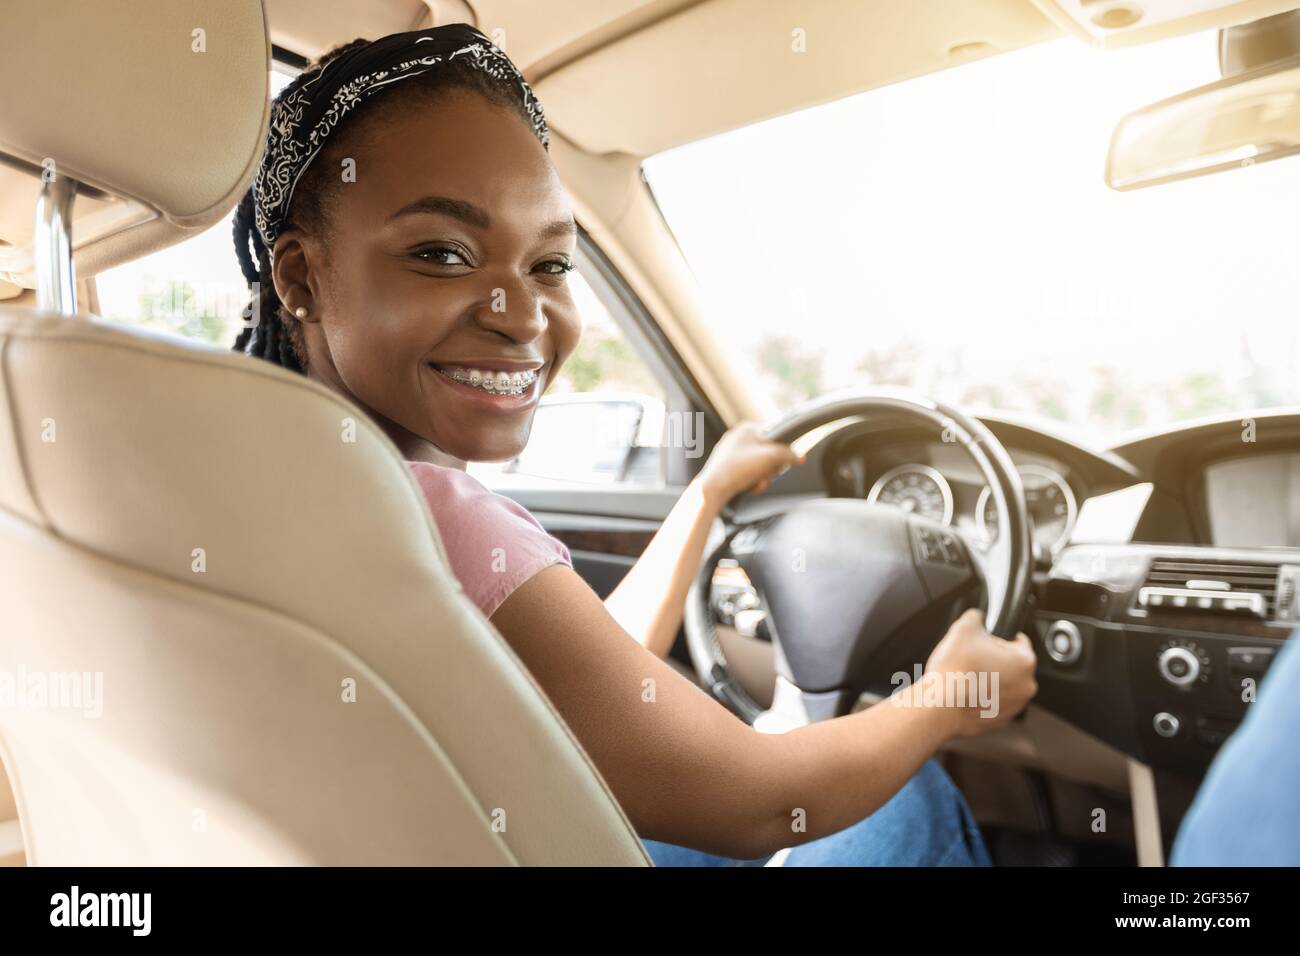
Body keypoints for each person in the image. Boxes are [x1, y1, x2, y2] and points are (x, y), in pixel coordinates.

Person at [230, 24, 1037, 864]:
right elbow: (764, 804)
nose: (523, 314)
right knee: (908, 798)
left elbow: (565, 682)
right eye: (442, 253)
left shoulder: (273, 486)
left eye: (549, 265)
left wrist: (705, 499)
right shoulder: (436, 520)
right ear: (300, 278)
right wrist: (952, 693)